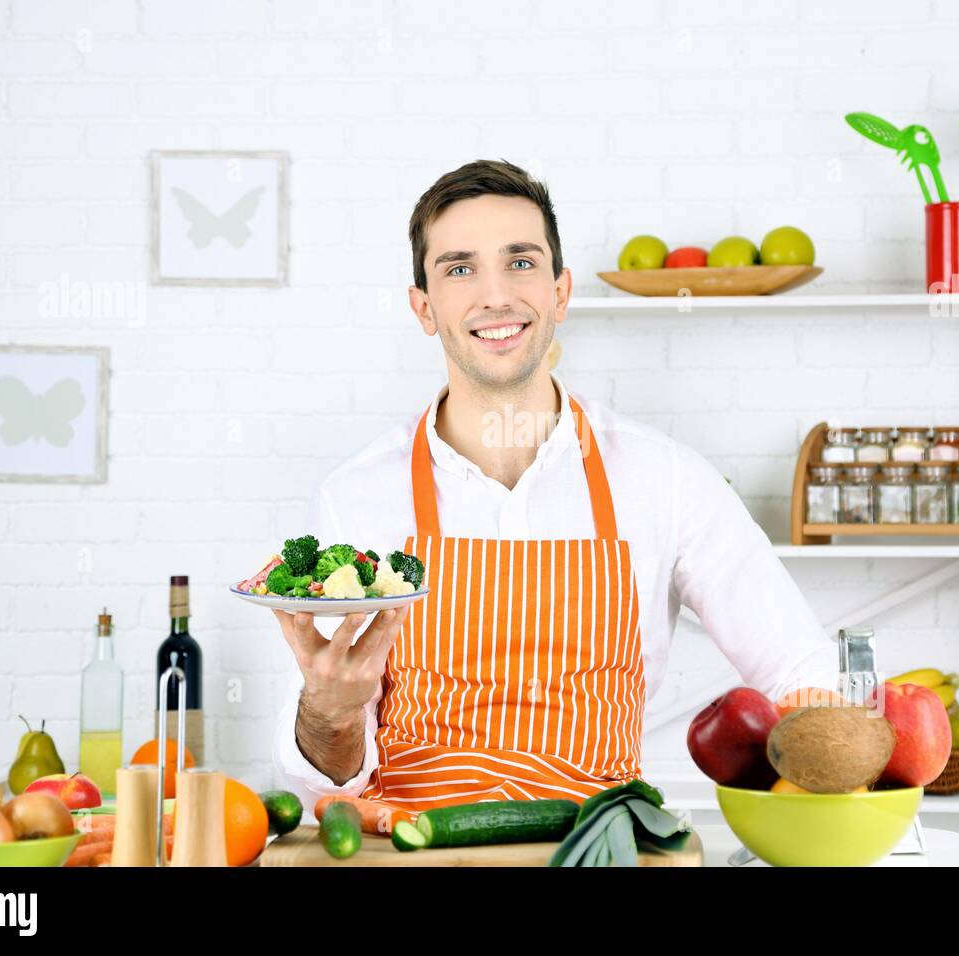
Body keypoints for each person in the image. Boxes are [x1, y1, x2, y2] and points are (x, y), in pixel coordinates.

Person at [273, 159, 834, 815]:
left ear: (561, 293)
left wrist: (834, 779)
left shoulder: (668, 480)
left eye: (520, 262)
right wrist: (327, 717)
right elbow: (322, 783)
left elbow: (804, 675)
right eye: (459, 268)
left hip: (602, 851)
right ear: (424, 308)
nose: (495, 295)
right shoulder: (357, 496)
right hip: (413, 856)